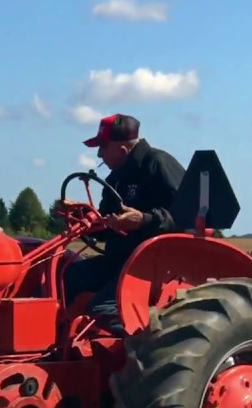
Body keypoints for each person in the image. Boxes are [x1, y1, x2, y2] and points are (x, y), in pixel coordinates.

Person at [59, 113, 186, 334]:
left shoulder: (158, 164)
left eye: (102, 147)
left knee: (104, 308)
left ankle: (140, 350)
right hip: (119, 261)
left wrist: (144, 220)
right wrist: (81, 216)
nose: (99, 154)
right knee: (63, 278)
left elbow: (187, 215)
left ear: (123, 149)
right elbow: (105, 226)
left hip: (153, 266)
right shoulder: (116, 179)